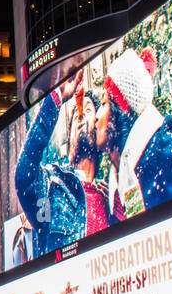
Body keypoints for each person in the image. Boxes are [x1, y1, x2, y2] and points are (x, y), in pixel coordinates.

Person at [94, 47, 172, 217]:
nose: (96, 116)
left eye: (103, 104)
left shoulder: (162, 151)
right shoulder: (121, 175)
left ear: (121, 109)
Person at [15, 69, 110, 257]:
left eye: (88, 110)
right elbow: (24, 176)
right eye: (75, 117)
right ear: (70, 143)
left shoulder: (108, 199)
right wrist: (57, 97)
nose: (81, 115)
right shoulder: (52, 187)